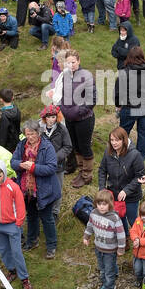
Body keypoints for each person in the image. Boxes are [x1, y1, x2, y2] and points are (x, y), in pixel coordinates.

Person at [12, 119, 61, 260]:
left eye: (32, 134)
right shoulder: (21, 145)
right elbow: (13, 161)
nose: (30, 137)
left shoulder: (47, 146)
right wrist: (22, 165)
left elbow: (52, 167)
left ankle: (51, 246)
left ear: (38, 132)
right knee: (31, 216)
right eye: (27, 134)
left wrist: (33, 168)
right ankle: (32, 241)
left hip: (44, 189)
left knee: (47, 218)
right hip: (26, 189)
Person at [0, 161, 33, 289]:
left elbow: (20, 206)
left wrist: (18, 223)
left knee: (17, 252)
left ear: (4, 174)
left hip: (12, 225)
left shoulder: (13, 187)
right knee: (3, 251)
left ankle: (25, 279)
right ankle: (12, 271)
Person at [56, 51, 96, 187]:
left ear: (78, 61)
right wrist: (63, 107)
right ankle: (81, 170)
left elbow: (92, 99)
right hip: (69, 118)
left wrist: (79, 111)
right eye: (68, 62)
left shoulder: (86, 76)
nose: (71, 65)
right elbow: (62, 93)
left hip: (84, 119)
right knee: (75, 145)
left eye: (73, 62)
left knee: (84, 146)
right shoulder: (66, 76)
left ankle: (87, 175)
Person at [98, 125, 145, 235]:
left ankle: (139, 240)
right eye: (112, 140)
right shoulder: (108, 152)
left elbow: (140, 176)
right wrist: (102, 188)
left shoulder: (135, 155)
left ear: (124, 140)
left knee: (132, 220)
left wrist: (126, 190)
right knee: (119, 218)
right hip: (114, 193)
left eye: (117, 140)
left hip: (131, 196)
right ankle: (125, 238)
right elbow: (102, 170)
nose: (114, 143)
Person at [116, 46, 145, 158]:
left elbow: (117, 93)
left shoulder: (124, 73)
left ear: (128, 57)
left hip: (129, 108)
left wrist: (118, 105)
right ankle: (140, 157)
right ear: (142, 57)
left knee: (123, 132)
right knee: (143, 132)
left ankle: (122, 154)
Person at [83, 189, 126, 289]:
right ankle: (105, 284)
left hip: (110, 250)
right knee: (102, 268)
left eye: (104, 204)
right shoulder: (93, 213)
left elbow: (121, 234)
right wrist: (86, 237)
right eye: (99, 204)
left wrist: (121, 248)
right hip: (98, 247)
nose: (101, 207)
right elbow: (90, 226)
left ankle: (110, 288)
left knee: (108, 270)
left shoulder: (114, 218)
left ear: (110, 204)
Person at [40, 104, 74, 188]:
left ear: (57, 117)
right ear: (44, 117)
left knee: (57, 186)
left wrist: (55, 157)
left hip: (58, 164)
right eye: (48, 117)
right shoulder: (40, 129)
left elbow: (68, 146)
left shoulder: (62, 129)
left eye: (53, 117)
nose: (50, 120)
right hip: (43, 163)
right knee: (44, 184)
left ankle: (57, 200)